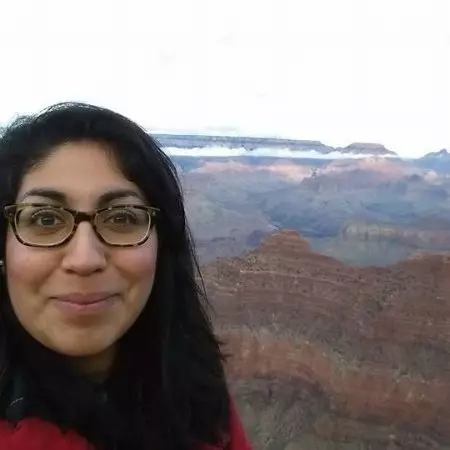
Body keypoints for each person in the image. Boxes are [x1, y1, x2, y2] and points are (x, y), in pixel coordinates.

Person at [0, 103, 252, 450]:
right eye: (45, 219)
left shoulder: (198, 397)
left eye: (121, 218)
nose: (85, 259)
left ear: (162, 246)